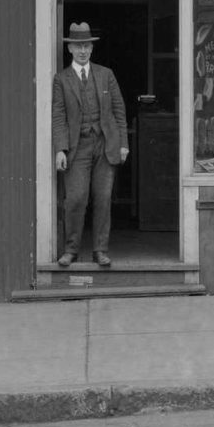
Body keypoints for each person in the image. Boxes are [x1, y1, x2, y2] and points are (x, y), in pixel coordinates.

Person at [52, 21, 128, 267]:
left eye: (86, 46)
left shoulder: (106, 75)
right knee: (76, 198)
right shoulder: (61, 79)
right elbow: (59, 117)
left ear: (92, 48)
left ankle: (100, 250)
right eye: (78, 46)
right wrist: (60, 149)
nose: (83, 50)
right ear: (70, 49)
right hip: (77, 147)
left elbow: (119, 111)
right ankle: (71, 250)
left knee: (103, 198)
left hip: (105, 145)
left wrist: (123, 144)